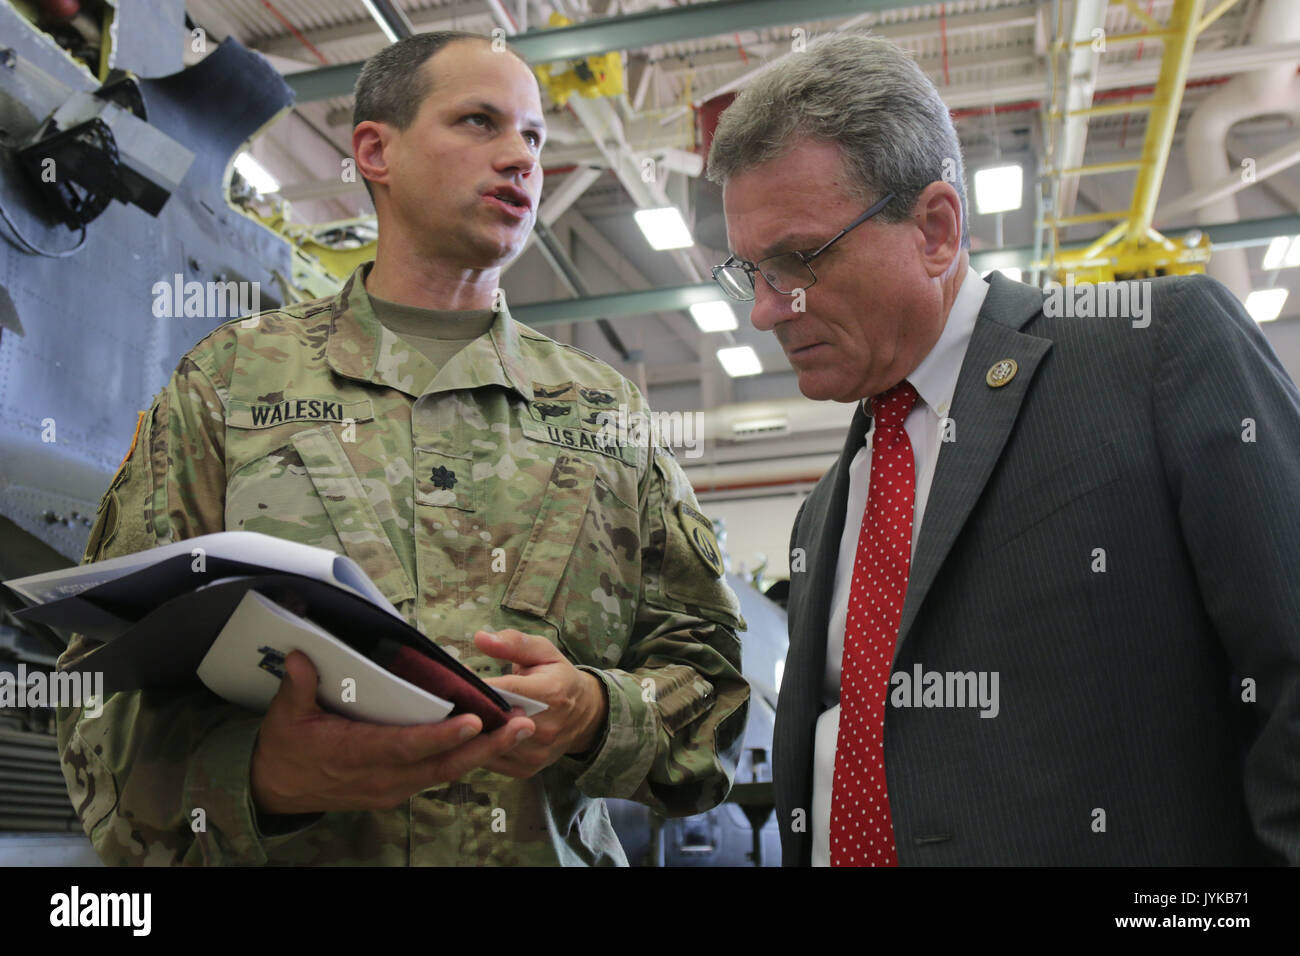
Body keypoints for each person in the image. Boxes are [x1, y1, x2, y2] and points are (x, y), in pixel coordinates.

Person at [54, 30, 748, 866]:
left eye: (532, 136)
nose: (521, 159)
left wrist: (599, 713)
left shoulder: (607, 413)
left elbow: (709, 688)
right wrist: (265, 778)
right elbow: (98, 688)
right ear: (375, 151)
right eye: (479, 123)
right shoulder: (229, 386)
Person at [706, 31, 1300, 866]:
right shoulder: (822, 517)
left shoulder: (1154, 359)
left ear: (936, 228)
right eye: (751, 273)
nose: (767, 310)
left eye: (798, 260)